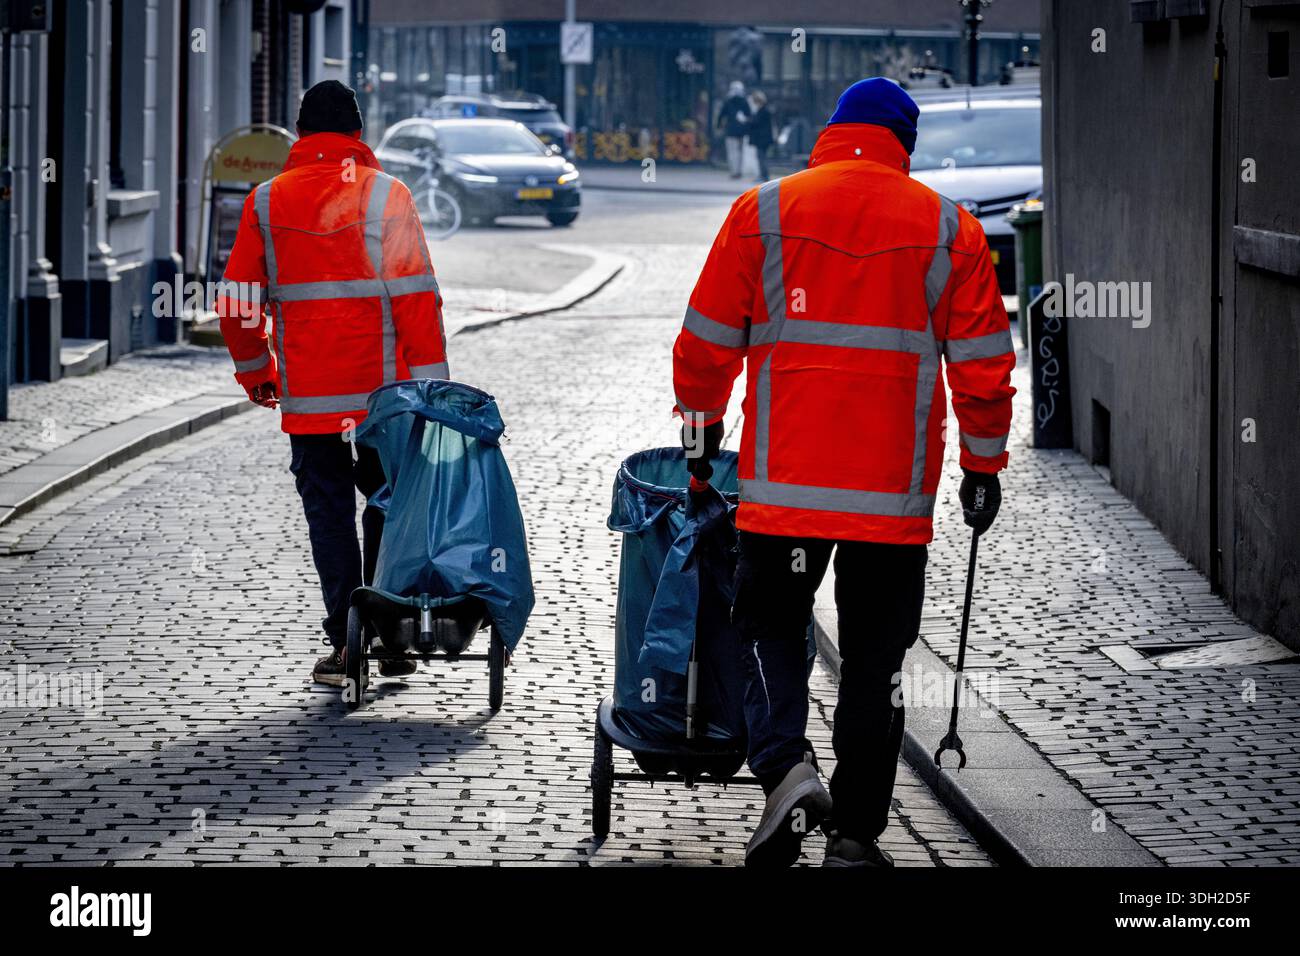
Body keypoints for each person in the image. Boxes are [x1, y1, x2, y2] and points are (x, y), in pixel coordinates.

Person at [672, 77, 1014, 867]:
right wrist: (982, 465)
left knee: (768, 628)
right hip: (888, 503)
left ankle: (787, 770)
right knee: (873, 662)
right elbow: (985, 369)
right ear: (906, 143)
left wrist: (701, 430)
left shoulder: (761, 212)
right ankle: (856, 836)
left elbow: (703, 346)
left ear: (833, 129)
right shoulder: (950, 230)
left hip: (782, 491)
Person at [217, 80, 450, 687]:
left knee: (327, 514)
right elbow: (417, 299)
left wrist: (255, 369)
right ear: (357, 133)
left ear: (299, 134)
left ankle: (347, 639)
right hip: (384, 399)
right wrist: (430, 390)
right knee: (387, 505)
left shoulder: (266, 201)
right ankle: (391, 634)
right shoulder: (387, 196)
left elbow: (239, 298)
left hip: (310, 398)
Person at [716, 81, 751, 178]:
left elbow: (721, 115)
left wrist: (718, 126)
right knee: (741, 152)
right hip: (742, 131)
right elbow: (749, 115)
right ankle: (739, 171)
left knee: (732, 152)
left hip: (731, 130)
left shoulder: (728, 101)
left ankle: (734, 171)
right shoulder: (744, 101)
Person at [746, 90, 775, 182]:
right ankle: (763, 176)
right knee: (761, 158)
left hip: (762, 139)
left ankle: (764, 177)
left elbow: (756, 123)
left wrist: (748, 120)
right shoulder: (764, 110)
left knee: (762, 158)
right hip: (763, 139)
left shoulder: (763, 111)